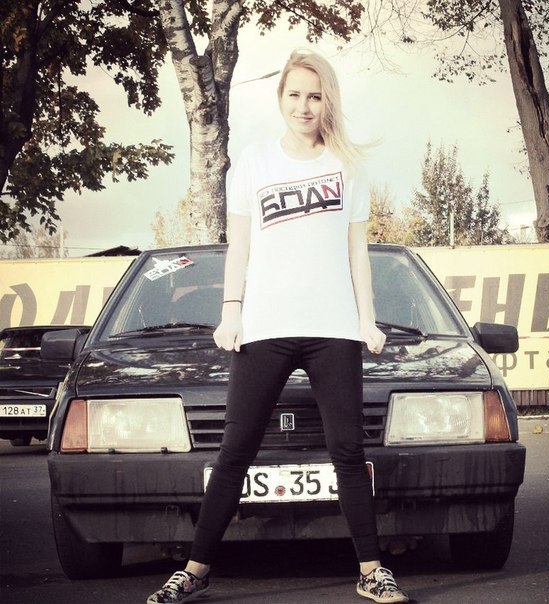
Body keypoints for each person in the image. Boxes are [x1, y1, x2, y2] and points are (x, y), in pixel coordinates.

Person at [147, 49, 410, 604]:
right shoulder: (254, 162)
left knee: (347, 450)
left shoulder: (346, 166)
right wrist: (231, 311)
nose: (304, 105)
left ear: (327, 101)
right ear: (280, 98)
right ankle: (194, 571)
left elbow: (356, 253)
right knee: (235, 450)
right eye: (294, 94)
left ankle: (371, 571)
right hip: (264, 326)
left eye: (315, 96)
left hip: (333, 328)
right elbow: (239, 246)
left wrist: (366, 320)